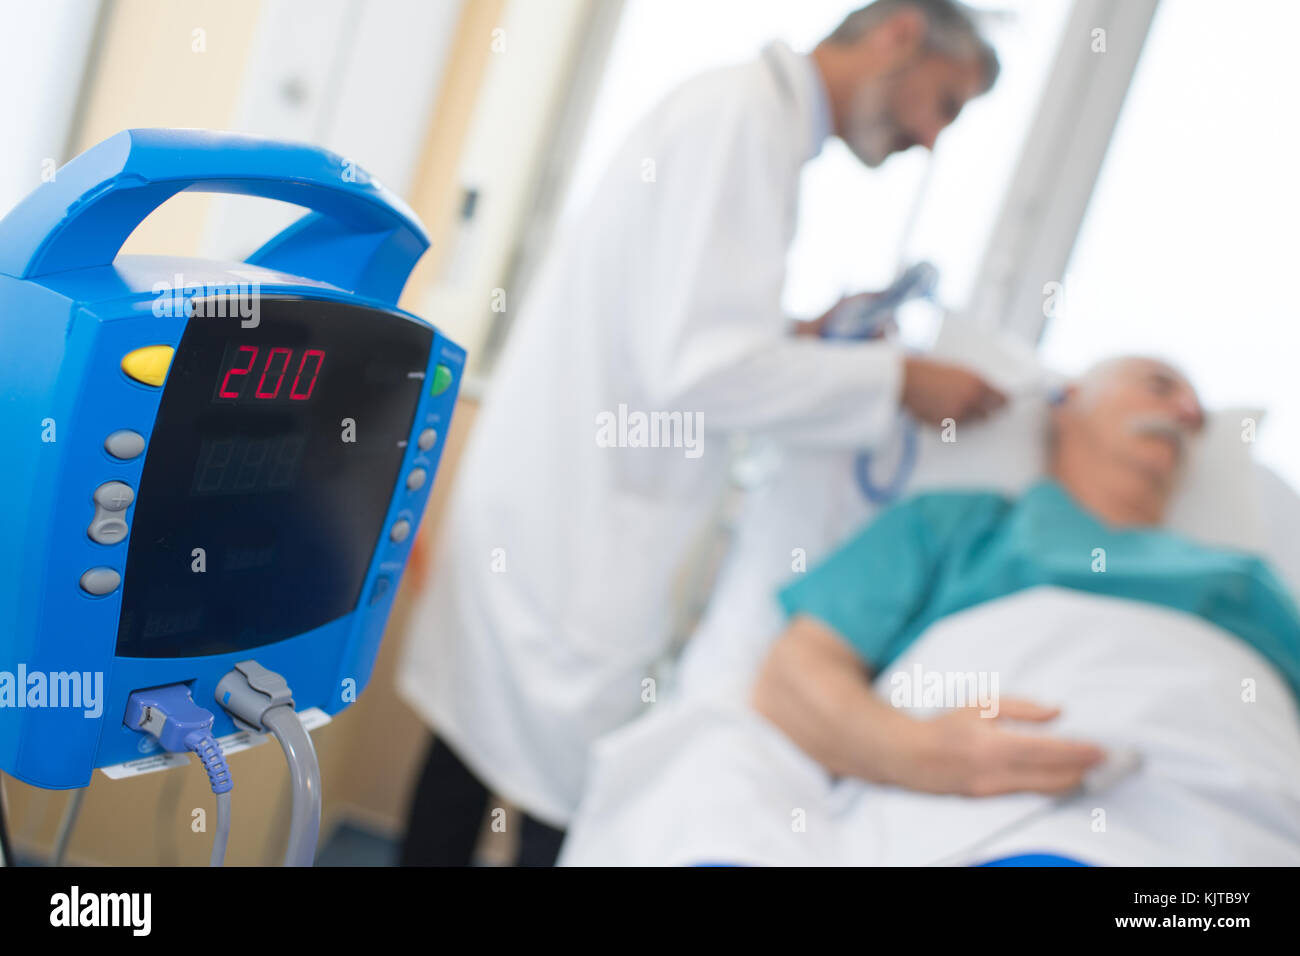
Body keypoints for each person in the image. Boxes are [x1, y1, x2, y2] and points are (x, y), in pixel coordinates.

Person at [399, 0, 1007, 865]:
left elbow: (681, 336)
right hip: (576, 527)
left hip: (563, 505)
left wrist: (796, 338)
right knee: (552, 791)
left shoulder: (747, 120)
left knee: (474, 756)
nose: (932, 139)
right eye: (943, 105)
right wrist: (900, 379)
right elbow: (703, 369)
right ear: (900, 33)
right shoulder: (742, 122)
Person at [752, 357, 1300, 795]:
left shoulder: (1247, 579)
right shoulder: (953, 523)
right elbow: (793, 676)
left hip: (1238, 823)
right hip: (981, 816)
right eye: (1159, 386)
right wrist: (916, 754)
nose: (1185, 413)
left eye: (1199, 417)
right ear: (1066, 402)